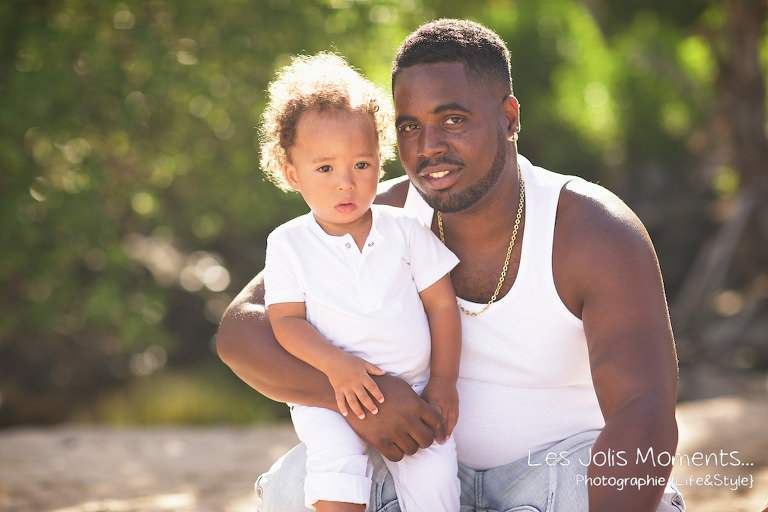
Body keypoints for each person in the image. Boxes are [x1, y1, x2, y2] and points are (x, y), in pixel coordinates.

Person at [217, 19, 685, 512]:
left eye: (453, 120)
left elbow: (644, 410)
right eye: (410, 126)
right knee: (297, 485)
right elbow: (241, 331)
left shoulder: (592, 230)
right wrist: (364, 400)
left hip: (552, 477)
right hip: (413, 459)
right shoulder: (381, 216)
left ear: (508, 117)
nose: (428, 146)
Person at [256, 52, 462, 512]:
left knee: (435, 480)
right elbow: (286, 322)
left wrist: (444, 382)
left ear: (380, 161)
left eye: (362, 165)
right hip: (331, 394)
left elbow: (442, 307)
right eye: (325, 168)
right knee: (335, 464)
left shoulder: (406, 230)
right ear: (292, 174)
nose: (345, 183)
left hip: (414, 388)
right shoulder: (288, 242)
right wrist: (337, 366)